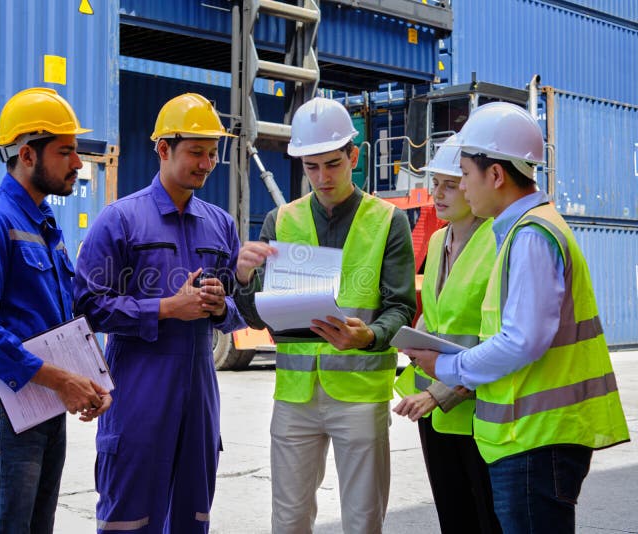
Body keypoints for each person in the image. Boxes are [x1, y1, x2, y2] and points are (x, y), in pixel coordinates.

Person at [406, 102, 630, 534]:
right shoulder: (522, 231)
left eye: (465, 176)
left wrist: (446, 367)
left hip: (536, 440)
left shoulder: (530, 235)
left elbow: (523, 340)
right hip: (525, 436)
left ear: (495, 175)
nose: (461, 189)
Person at [234, 97, 416, 534]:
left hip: (360, 393)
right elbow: (258, 320)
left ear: (354, 155)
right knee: (289, 519)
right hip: (295, 396)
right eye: (311, 167)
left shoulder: (389, 221)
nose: (322, 177)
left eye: (332, 164)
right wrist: (242, 278)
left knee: (362, 520)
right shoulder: (280, 220)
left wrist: (368, 336)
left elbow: (400, 306)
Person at [73, 93, 245, 533]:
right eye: (195, 153)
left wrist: (220, 306)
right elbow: (87, 308)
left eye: (212, 154)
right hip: (137, 398)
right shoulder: (120, 220)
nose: (206, 164)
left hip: (200, 399)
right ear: (163, 148)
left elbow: (241, 310)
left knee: (192, 521)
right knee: (129, 522)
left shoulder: (221, 225)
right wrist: (168, 308)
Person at [0, 87, 112, 533]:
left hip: (44, 404)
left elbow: (63, 317)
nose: (78, 164)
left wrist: (90, 380)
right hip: (5, 415)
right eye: (66, 152)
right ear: (27, 154)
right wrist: (62, 380)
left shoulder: (42, 223)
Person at [392, 135, 500, 533]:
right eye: (434, 183)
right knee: (453, 518)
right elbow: (435, 316)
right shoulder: (438, 240)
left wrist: (436, 394)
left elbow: (495, 341)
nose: (436, 193)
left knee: (486, 519)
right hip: (433, 411)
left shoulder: (499, 243)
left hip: (477, 410)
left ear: (477, 182)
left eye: (450, 184)